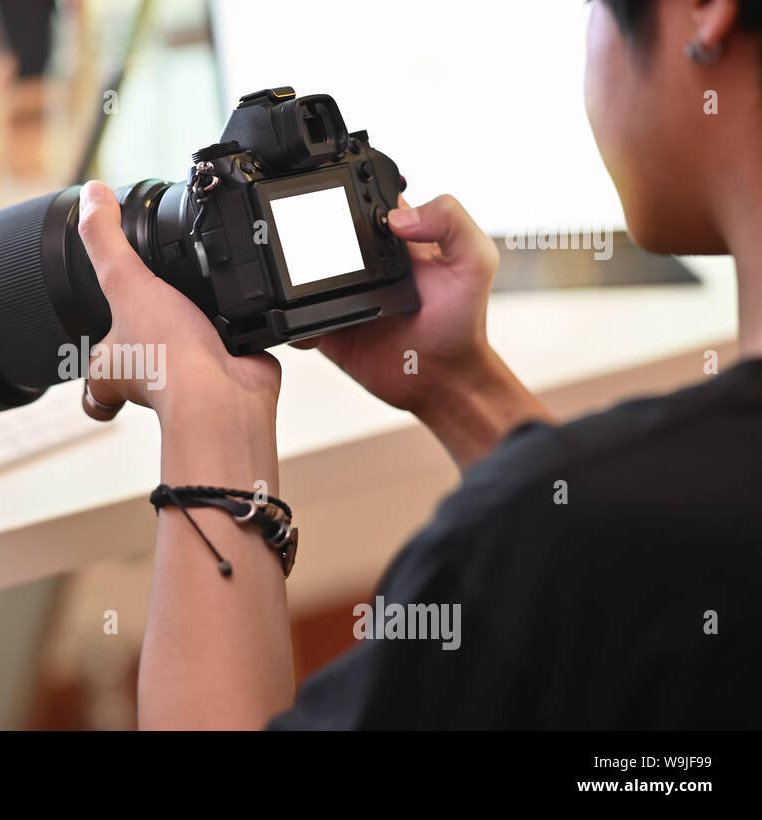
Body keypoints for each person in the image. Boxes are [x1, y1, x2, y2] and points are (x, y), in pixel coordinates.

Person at [75, 0, 762, 729]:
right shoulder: (634, 524)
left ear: (703, 12)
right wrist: (459, 385)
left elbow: (584, 557)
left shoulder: (532, 542)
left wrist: (207, 409)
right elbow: (650, 607)